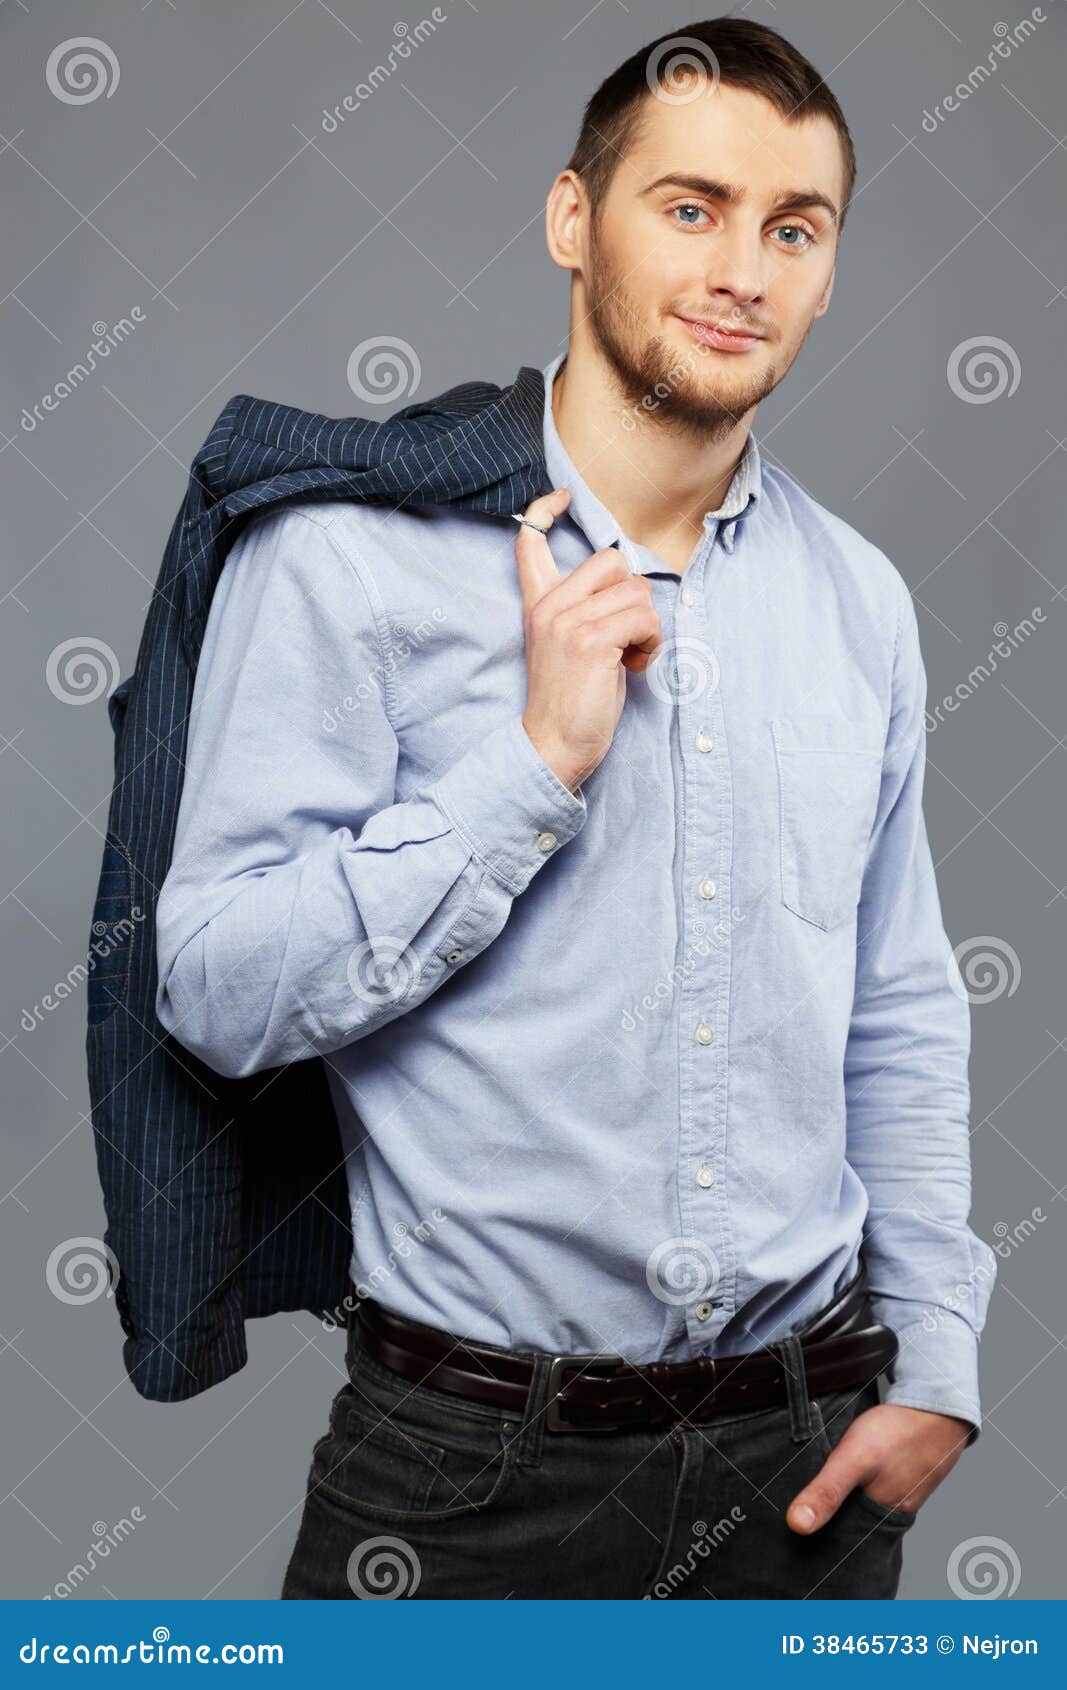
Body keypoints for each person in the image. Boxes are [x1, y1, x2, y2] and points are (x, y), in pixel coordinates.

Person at [154, 16, 995, 1599]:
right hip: (464, 1473)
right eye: (690, 207)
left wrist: (935, 1356)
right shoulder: (348, 559)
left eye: (792, 227)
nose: (743, 267)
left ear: (826, 271)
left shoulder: (859, 603)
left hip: (802, 1465)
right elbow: (212, 990)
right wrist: (529, 769)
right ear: (570, 220)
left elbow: (896, 1000)